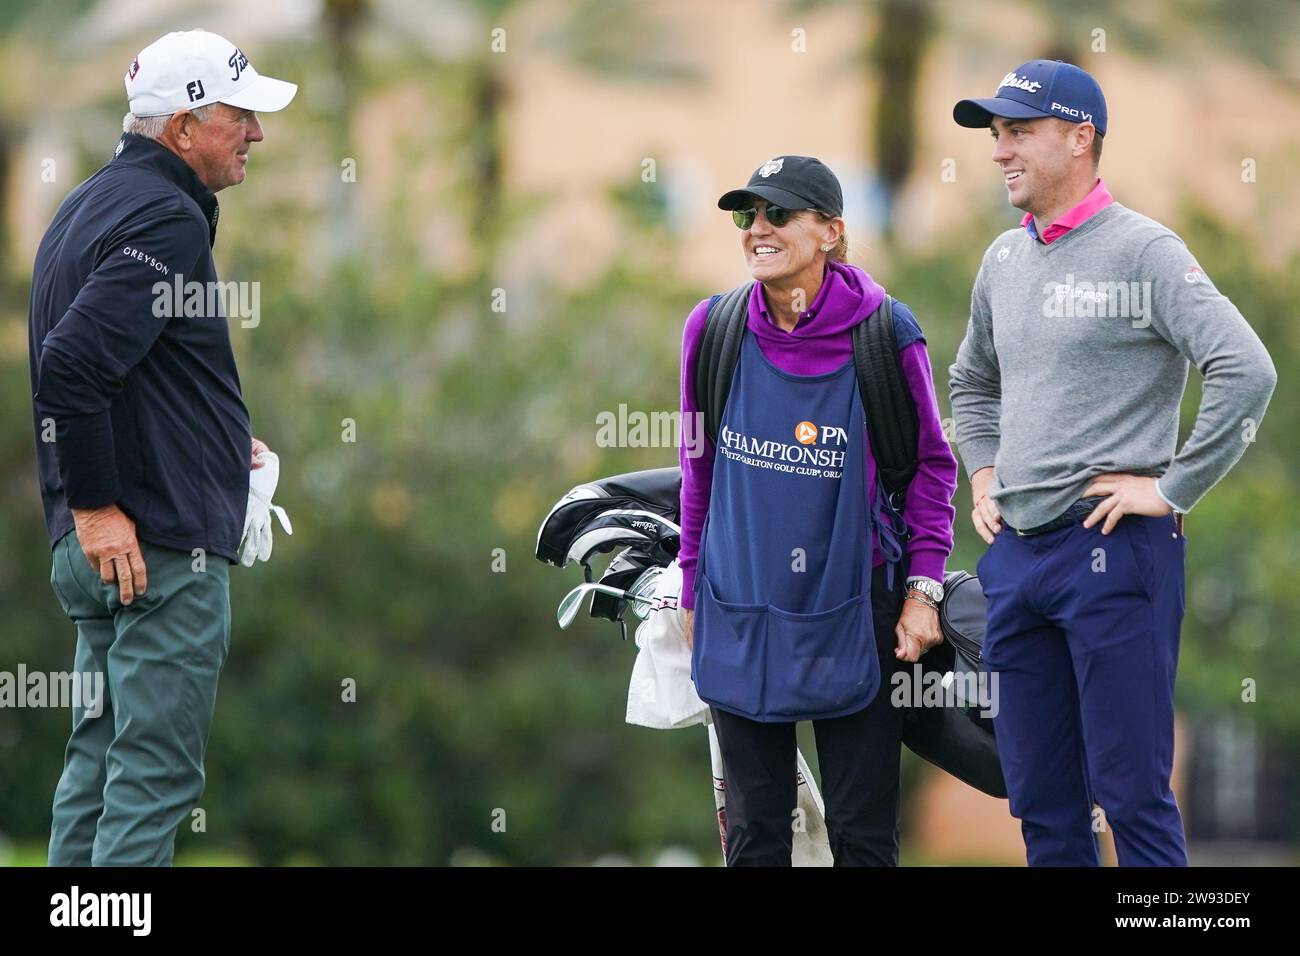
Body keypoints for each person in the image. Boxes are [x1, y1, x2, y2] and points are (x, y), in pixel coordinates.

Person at [948, 60, 1277, 866]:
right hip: (1018, 559)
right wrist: (984, 473)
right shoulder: (1003, 261)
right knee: (1042, 800)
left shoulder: (1146, 252)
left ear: (1080, 137)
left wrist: (1171, 489)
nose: (999, 152)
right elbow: (970, 382)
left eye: (1017, 132)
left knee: (1131, 792)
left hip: (1114, 552)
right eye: (996, 135)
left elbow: (1247, 370)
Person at [28, 30, 297, 866]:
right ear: (182, 127)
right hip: (153, 549)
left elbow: (122, 368)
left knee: (97, 770)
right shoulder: (168, 218)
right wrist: (101, 505)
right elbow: (73, 365)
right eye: (240, 114)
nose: (256, 132)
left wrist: (212, 439)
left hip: (107, 548)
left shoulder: (87, 203)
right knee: (151, 780)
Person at [678, 155, 958, 866]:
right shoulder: (712, 331)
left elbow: (931, 465)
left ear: (831, 231)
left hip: (859, 611)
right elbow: (696, 467)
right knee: (754, 836)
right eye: (749, 215)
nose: (758, 229)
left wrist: (923, 590)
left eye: (779, 213)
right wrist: (689, 589)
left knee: (863, 837)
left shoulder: (886, 334)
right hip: (739, 607)